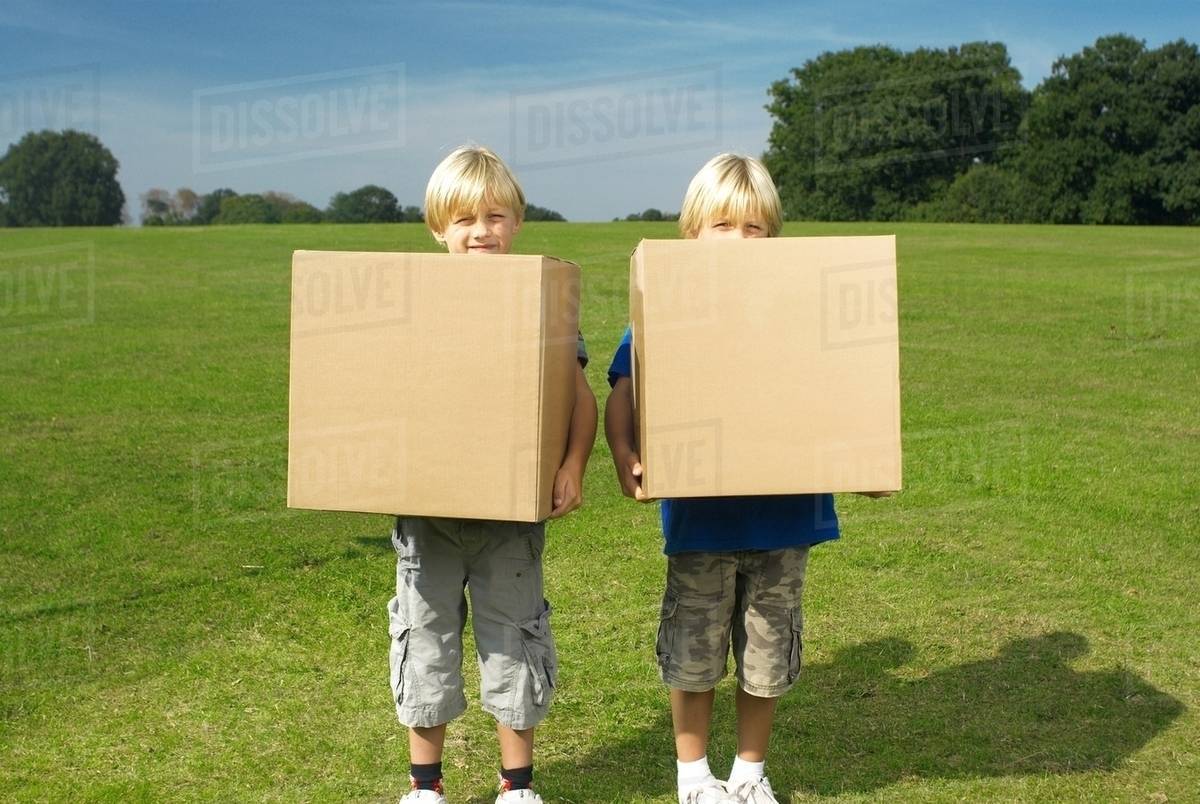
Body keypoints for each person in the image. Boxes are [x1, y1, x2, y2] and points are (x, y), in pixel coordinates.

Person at [604, 153, 888, 804]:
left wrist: (866, 459)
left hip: (786, 520)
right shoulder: (668, 310)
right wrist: (625, 455)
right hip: (701, 521)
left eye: (755, 228)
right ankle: (694, 777)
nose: (739, 240)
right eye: (723, 225)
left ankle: (750, 773)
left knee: (767, 651)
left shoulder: (800, 311)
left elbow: (847, 389)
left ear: (774, 239)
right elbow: (626, 385)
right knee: (693, 650)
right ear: (692, 233)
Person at [390, 145, 597, 804]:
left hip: (511, 521)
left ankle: (517, 785)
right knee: (425, 642)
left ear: (518, 223)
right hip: (428, 521)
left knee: (515, 640)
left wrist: (570, 465)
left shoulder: (542, 297)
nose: (482, 230)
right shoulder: (409, 303)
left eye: (496, 215)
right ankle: (425, 787)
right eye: (465, 219)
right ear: (437, 228)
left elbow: (577, 393)